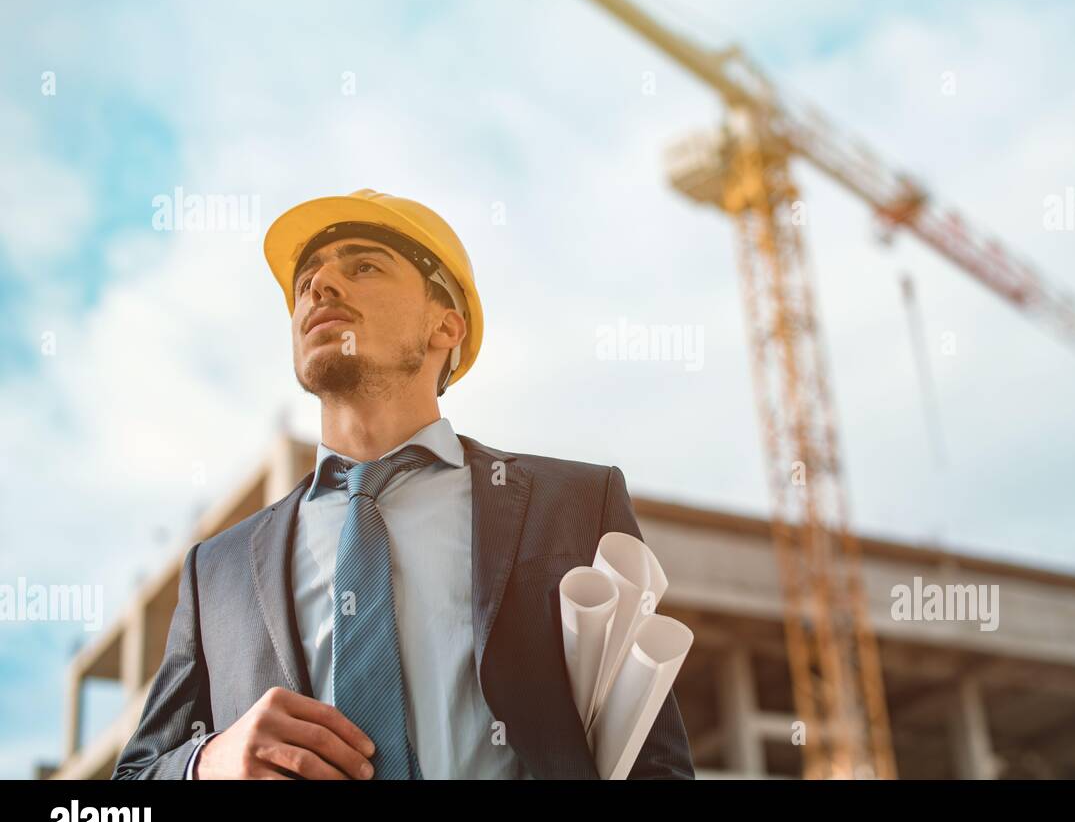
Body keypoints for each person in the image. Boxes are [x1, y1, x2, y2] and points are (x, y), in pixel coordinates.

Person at [112, 189, 694, 779]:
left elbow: (656, 763)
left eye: (363, 265)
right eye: (306, 280)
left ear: (447, 325)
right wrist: (205, 765)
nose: (320, 286)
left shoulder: (572, 504)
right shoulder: (217, 572)